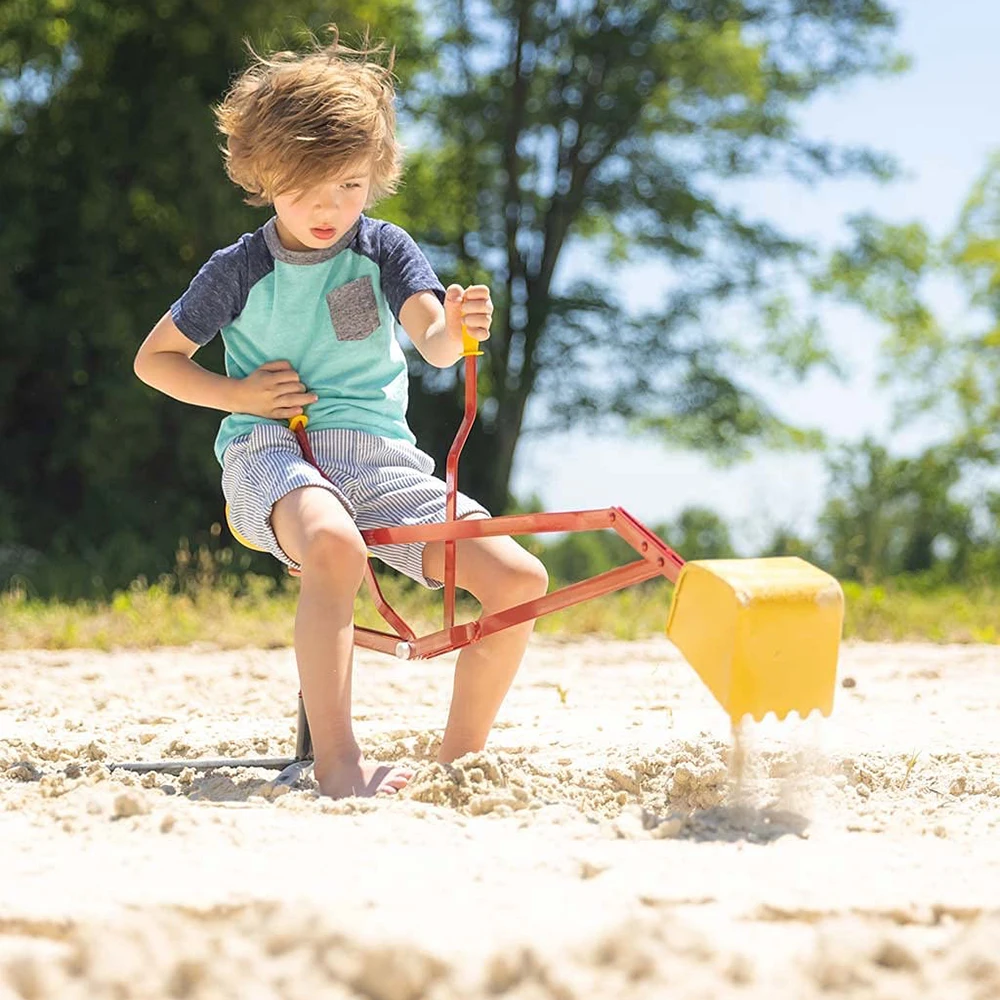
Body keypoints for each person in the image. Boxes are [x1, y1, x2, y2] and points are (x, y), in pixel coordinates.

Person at [133, 32, 548, 798]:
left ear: (376, 178)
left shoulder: (385, 250)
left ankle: (456, 765)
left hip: (382, 461)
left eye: (351, 187)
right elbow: (153, 361)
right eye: (308, 188)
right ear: (264, 175)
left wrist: (456, 329)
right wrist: (240, 395)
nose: (331, 209)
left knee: (519, 578)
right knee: (333, 545)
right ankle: (338, 762)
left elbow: (430, 338)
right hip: (273, 454)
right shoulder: (238, 270)